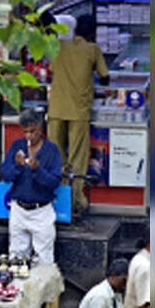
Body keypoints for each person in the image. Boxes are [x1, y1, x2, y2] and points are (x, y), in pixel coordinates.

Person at [48, 13, 109, 218]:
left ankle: (56, 197)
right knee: (77, 157)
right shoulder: (93, 49)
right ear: (93, 32)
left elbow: (52, 68)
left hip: (56, 109)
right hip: (78, 111)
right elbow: (105, 76)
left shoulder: (59, 47)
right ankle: (74, 199)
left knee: (56, 156)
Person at [0, 109, 63, 264]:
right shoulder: (17, 146)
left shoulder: (51, 150)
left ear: (40, 129)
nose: (29, 136)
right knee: (17, 256)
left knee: (44, 258)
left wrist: (37, 170)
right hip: (18, 210)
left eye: (32, 131)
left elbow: (54, 182)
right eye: (25, 132)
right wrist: (17, 166)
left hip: (41, 211)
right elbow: (5, 176)